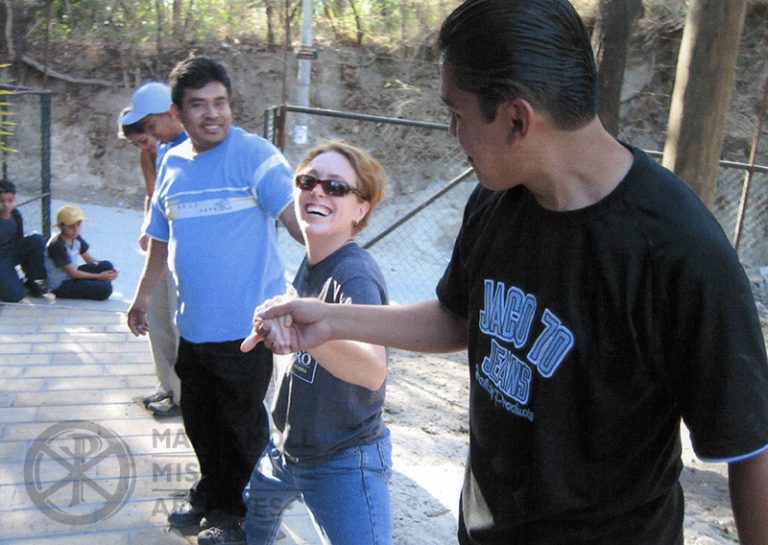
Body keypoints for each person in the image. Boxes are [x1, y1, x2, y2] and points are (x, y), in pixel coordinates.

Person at [247, 1, 768, 544]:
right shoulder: (497, 203)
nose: (452, 133)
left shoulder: (681, 253)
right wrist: (332, 321)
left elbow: (750, 450)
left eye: (458, 115)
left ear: (518, 119)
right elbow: (457, 319)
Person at [126, 56, 302, 533]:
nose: (213, 114)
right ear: (178, 114)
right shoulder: (172, 165)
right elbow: (160, 242)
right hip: (194, 328)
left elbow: (295, 218)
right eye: (199, 105)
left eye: (220, 102)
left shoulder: (255, 155)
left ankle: (243, 518)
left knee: (242, 430)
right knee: (202, 423)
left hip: (248, 331)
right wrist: (141, 298)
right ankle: (213, 496)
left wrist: (333, 263)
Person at [200, 141, 391, 545]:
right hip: (286, 449)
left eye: (337, 187)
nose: (318, 191)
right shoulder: (312, 262)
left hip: (341, 458)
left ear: (361, 209)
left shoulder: (353, 275)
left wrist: (311, 335)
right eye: (308, 181)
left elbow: (373, 370)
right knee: (258, 510)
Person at [118, 100, 185, 416]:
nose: (144, 146)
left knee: (179, 323)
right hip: (159, 247)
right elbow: (152, 194)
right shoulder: (148, 155)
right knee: (156, 319)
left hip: (182, 250)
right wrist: (148, 228)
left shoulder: (187, 148)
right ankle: (167, 387)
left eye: (145, 139)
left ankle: (184, 395)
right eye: (137, 144)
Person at [45, 204, 117, 301]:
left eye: (78, 225)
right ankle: (98, 284)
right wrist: (100, 276)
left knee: (107, 265)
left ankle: (98, 282)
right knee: (106, 289)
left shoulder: (76, 237)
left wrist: (104, 270)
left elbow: (89, 259)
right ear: (61, 226)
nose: (76, 230)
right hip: (61, 284)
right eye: (71, 226)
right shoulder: (57, 245)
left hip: (72, 275)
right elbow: (74, 274)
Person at [0, 180, 47, 301]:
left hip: (10, 252)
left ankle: (36, 283)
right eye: (1, 201)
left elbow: (19, 242)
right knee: (16, 295)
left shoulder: (15, 215)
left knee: (37, 240)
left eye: (10, 201)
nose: (6, 206)